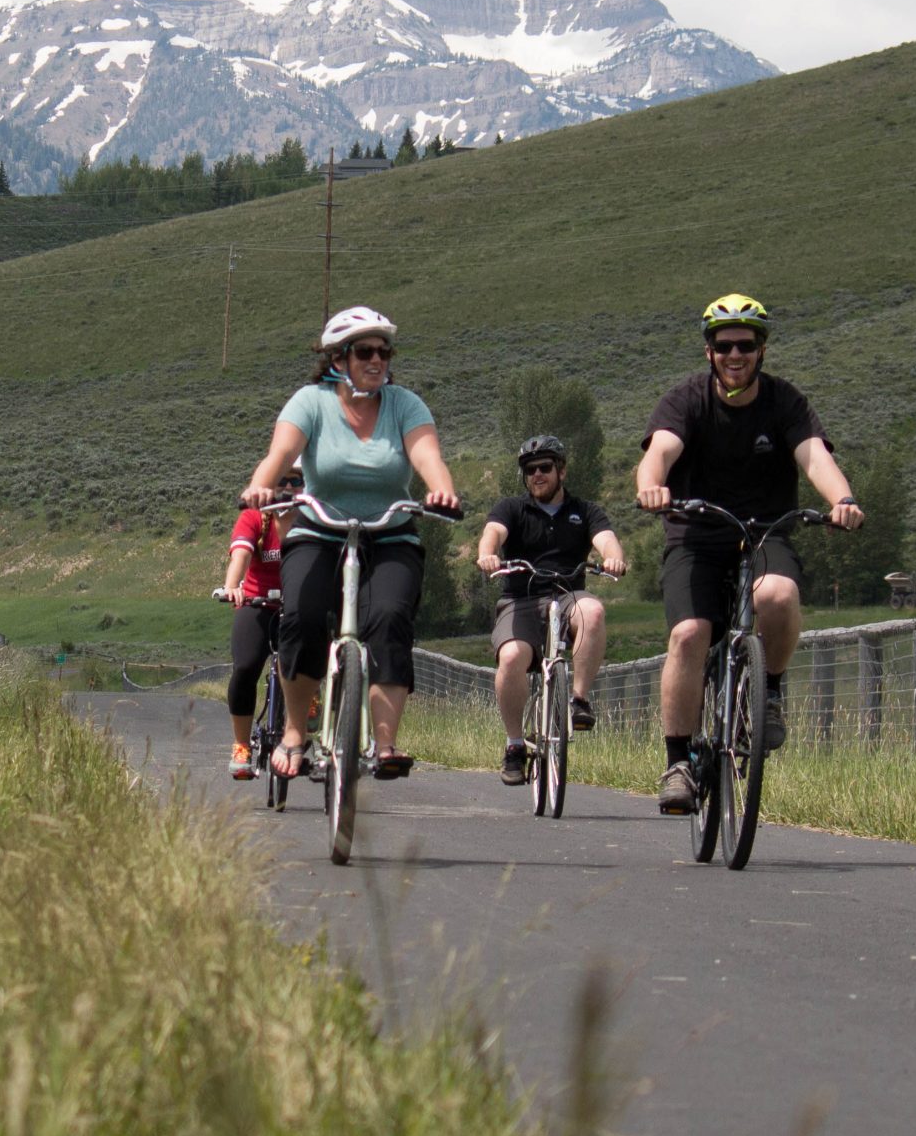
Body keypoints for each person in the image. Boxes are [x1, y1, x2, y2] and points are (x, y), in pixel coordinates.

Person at [634, 293, 863, 814]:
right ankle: (678, 763)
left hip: (765, 533)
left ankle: (770, 692)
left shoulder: (785, 402)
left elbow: (814, 457)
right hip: (695, 535)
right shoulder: (686, 400)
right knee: (690, 634)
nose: (734, 354)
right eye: (724, 345)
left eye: (746, 344)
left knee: (779, 596)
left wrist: (842, 500)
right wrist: (652, 486)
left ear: (762, 349)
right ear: (709, 350)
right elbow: (659, 452)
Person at [241, 305, 460, 783]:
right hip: (320, 528)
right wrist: (262, 486)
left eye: (384, 351)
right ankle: (296, 733)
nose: (377, 359)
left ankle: (385, 744)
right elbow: (280, 454)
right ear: (339, 359)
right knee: (299, 616)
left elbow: (427, 455)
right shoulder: (310, 402)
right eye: (365, 351)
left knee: (390, 619)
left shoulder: (405, 405)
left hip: (390, 530)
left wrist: (440, 488)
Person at [476, 433, 626, 786]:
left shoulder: (585, 511)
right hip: (521, 599)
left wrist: (613, 558)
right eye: (530, 470)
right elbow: (492, 533)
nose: (537, 475)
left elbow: (605, 539)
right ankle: (515, 745)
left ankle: (578, 701)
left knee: (594, 612)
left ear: (562, 471)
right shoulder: (512, 508)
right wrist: (488, 553)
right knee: (511, 658)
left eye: (544, 467)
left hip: (568, 593)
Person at [217, 470, 299, 778]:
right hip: (257, 602)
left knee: (308, 653)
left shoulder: (311, 516)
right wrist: (232, 586)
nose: (289, 487)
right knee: (246, 666)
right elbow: (241, 553)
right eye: (282, 481)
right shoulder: (255, 516)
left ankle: (310, 699)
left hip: (297, 606)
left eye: (296, 481)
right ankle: (241, 746)